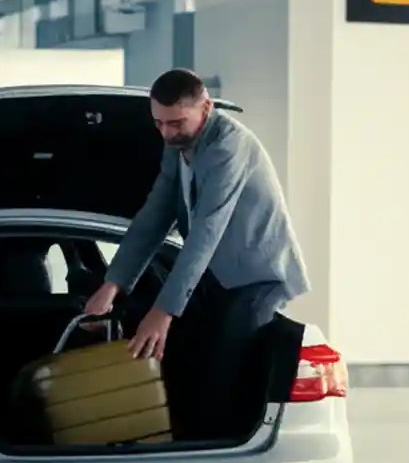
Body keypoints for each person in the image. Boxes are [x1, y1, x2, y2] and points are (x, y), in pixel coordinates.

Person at [84, 68, 310, 438]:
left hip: (255, 280)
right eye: (158, 123)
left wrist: (164, 312)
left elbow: (206, 232)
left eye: (176, 122)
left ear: (205, 108)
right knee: (186, 365)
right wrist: (114, 283)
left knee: (223, 379)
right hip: (213, 277)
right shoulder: (176, 144)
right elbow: (156, 214)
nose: (166, 133)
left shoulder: (229, 147)